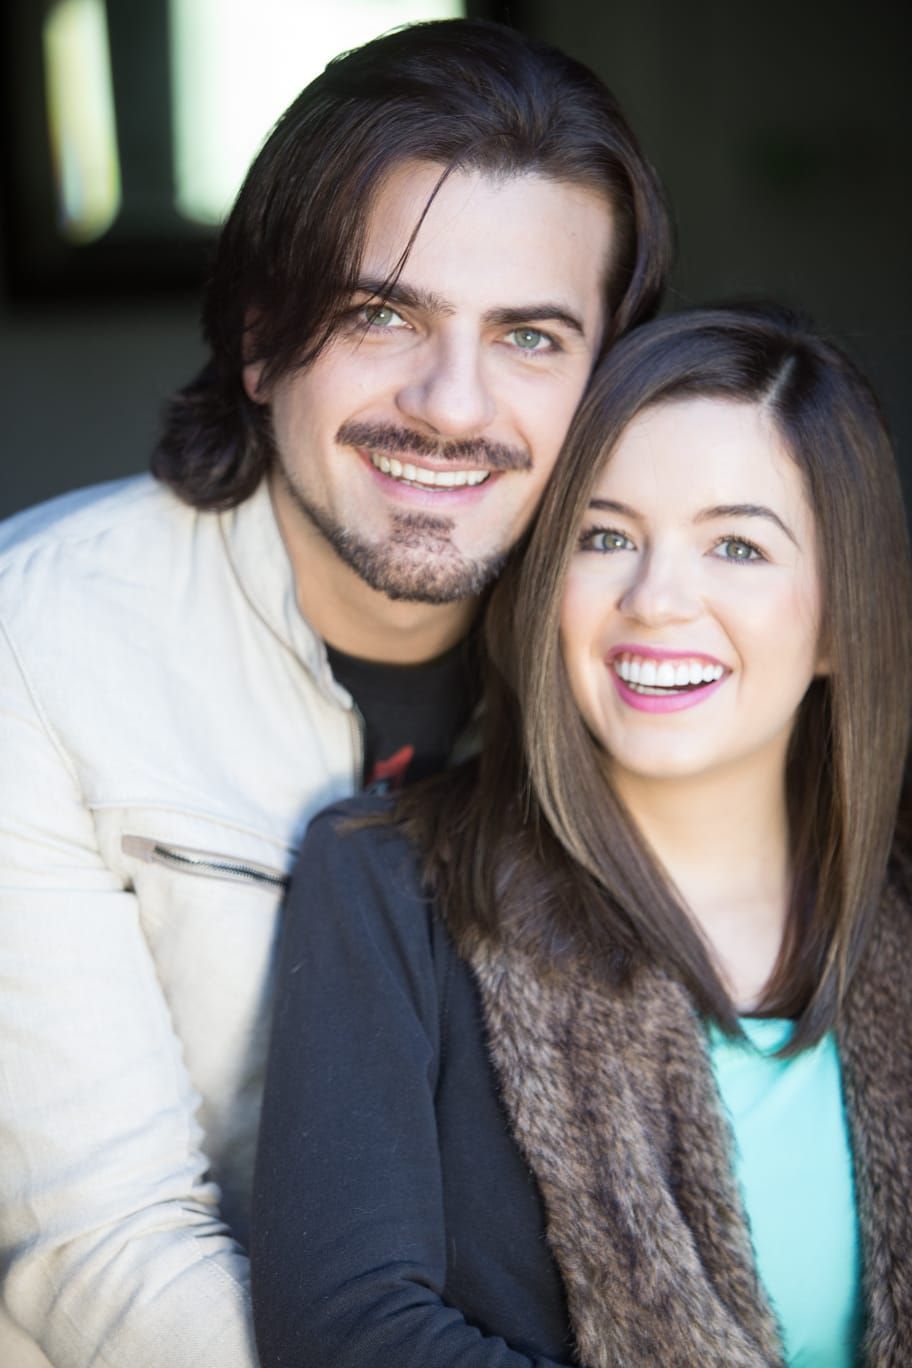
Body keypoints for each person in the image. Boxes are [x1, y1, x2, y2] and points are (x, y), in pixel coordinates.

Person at [0, 19, 672, 1368]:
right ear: (262, 341)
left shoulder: (660, 665)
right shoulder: (38, 642)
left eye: (532, 337)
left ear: (607, 381)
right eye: (383, 314)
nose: (449, 403)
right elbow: (107, 1246)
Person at [252, 304, 912, 1367]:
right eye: (605, 538)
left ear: (840, 619)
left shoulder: (899, 916)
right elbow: (349, 1333)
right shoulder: (387, 881)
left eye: (737, 546)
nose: (656, 600)